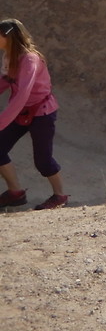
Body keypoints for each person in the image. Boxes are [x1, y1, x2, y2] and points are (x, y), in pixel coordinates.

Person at [0, 18, 68, 210]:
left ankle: (60, 196)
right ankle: (15, 193)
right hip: (22, 112)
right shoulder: (9, 56)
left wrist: (2, 121)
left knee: (43, 160)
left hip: (42, 113)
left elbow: (23, 93)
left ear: (8, 37)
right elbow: (5, 81)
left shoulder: (30, 59)